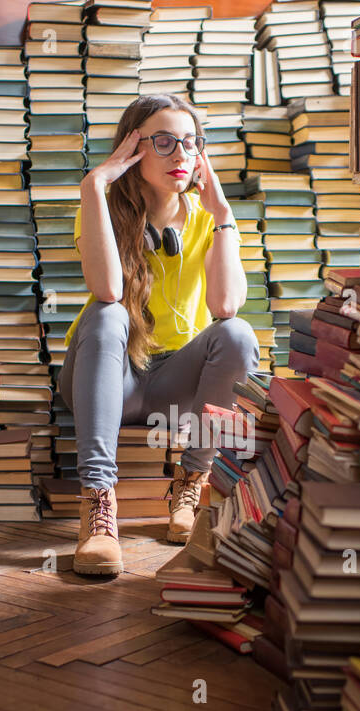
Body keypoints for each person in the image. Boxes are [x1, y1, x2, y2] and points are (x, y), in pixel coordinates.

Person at [57, 94, 259, 576]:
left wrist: (224, 214)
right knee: (108, 314)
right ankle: (98, 510)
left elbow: (225, 306)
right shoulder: (99, 208)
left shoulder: (208, 219)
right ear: (133, 149)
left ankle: (191, 484)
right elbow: (106, 288)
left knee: (237, 333)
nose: (181, 155)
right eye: (164, 142)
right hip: (110, 377)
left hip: (173, 386)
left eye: (191, 143)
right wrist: (95, 182)